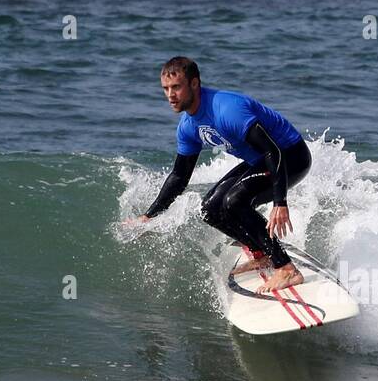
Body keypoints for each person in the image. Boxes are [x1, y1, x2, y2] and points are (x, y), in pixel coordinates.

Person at [126, 57, 311, 293]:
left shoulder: (226, 109)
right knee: (210, 208)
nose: (170, 95)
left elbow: (272, 150)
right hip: (260, 161)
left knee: (234, 201)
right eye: (166, 89)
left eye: (176, 87)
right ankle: (262, 253)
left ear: (194, 84)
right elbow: (179, 176)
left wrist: (280, 202)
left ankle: (286, 268)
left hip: (290, 157)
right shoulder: (188, 127)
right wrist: (149, 216)